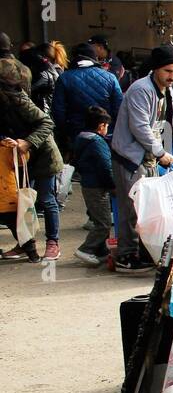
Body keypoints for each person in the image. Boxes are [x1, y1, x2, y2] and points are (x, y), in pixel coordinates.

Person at [110, 44, 173, 274]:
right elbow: (139, 127)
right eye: (168, 71)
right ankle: (126, 256)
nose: (172, 76)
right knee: (130, 208)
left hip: (149, 157)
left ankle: (143, 252)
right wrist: (161, 153)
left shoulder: (166, 90)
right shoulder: (141, 90)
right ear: (156, 69)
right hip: (131, 156)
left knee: (148, 208)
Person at [0, 58, 63, 262]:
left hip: (43, 156)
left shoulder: (19, 99)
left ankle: (53, 242)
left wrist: (27, 142)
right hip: (20, 159)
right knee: (24, 202)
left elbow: (47, 123)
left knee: (46, 200)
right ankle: (24, 243)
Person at [53, 41, 123, 150]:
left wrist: (65, 134)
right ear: (94, 57)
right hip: (105, 134)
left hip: (76, 135)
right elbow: (119, 109)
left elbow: (58, 111)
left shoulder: (64, 78)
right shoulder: (110, 78)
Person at [70, 105, 115, 266]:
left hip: (88, 184)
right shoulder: (97, 142)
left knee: (98, 219)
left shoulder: (81, 138)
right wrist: (113, 185)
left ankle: (101, 251)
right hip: (97, 186)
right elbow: (105, 166)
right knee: (103, 223)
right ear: (101, 126)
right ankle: (86, 249)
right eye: (107, 126)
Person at [19, 44, 57, 113]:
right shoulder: (51, 68)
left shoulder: (44, 72)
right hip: (46, 108)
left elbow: (27, 90)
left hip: (43, 109)